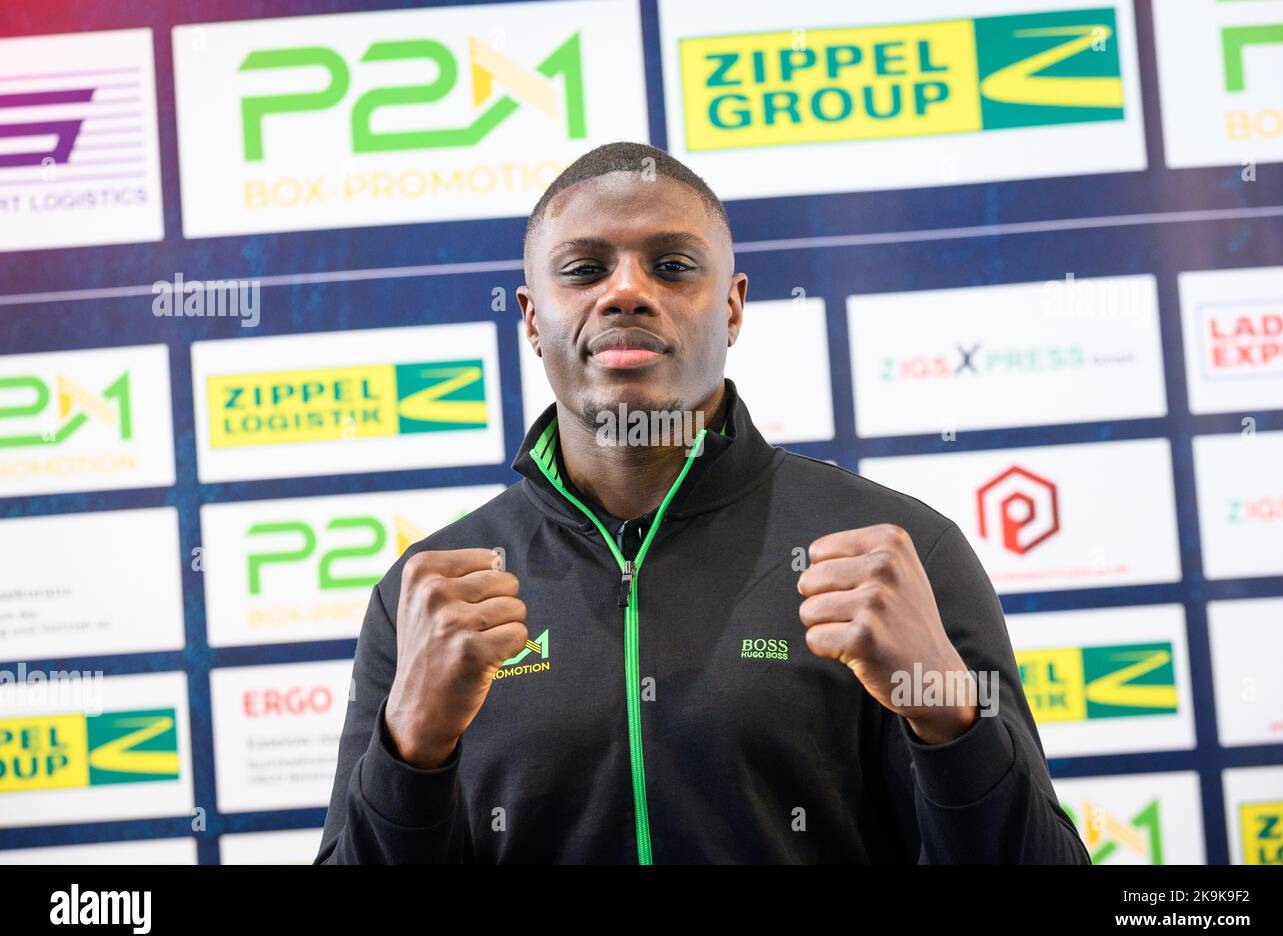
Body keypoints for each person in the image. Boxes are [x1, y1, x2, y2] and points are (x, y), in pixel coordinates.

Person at [314, 141, 1091, 864]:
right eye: (584, 270)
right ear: (530, 319)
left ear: (731, 308)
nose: (626, 292)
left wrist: (949, 717)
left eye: (673, 265)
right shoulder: (428, 592)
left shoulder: (897, 552)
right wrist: (409, 750)